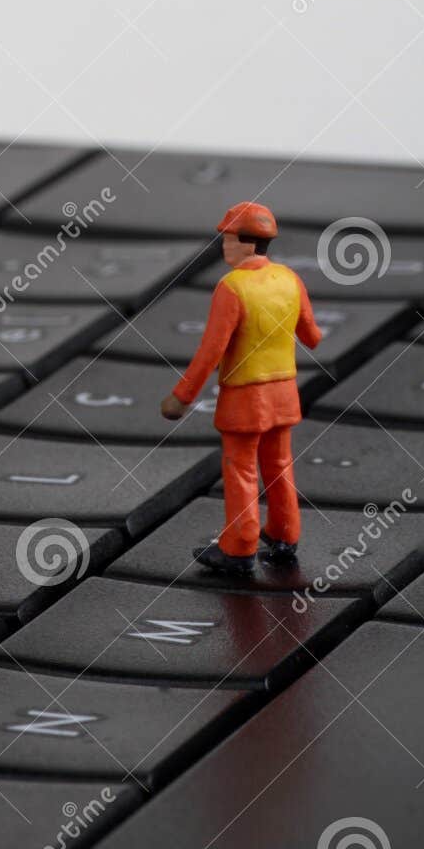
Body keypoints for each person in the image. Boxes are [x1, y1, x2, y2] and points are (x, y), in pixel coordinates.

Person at [160, 201, 322, 576]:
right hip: (283, 394)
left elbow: (211, 352)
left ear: (248, 244)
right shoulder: (289, 280)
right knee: (279, 467)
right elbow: (312, 337)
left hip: (246, 398)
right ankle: (284, 535)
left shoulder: (232, 288)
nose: (224, 247)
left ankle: (238, 548)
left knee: (241, 470)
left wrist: (181, 397)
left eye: (228, 239)